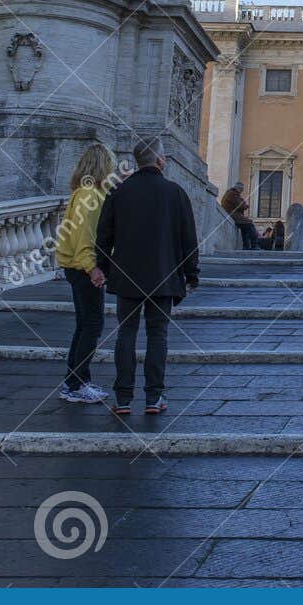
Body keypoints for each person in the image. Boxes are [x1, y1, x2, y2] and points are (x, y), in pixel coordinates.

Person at [96, 138, 199, 417]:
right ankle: (154, 397)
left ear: (137, 161)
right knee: (157, 335)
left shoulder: (118, 192)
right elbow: (189, 239)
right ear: (161, 161)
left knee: (126, 333)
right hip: (164, 275)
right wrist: (192, 274)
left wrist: (101, 267)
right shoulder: (175, 193)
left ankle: (123, 398)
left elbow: (103, 236)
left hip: (126, 275)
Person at [54, 142, 117, 405]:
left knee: (85, 325)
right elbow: (85, 238)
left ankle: (75, 380)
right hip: (83, 268)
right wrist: (93, 268)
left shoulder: (83, 192)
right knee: (92, 325)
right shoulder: (91, 196)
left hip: (75, 266)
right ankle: (76, 383)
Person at [221, 181, 257, 250]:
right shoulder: (233, 194)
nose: (242, 192)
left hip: (232, 213)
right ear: (239, 189)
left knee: (245, 227)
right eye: (241, 190)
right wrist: (245, 206)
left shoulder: (231, 193)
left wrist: (243, 203)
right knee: (250, 224)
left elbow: (241, 203)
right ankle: (254, 245)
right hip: (232, 214)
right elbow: (241, 205)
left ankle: (246, 246)